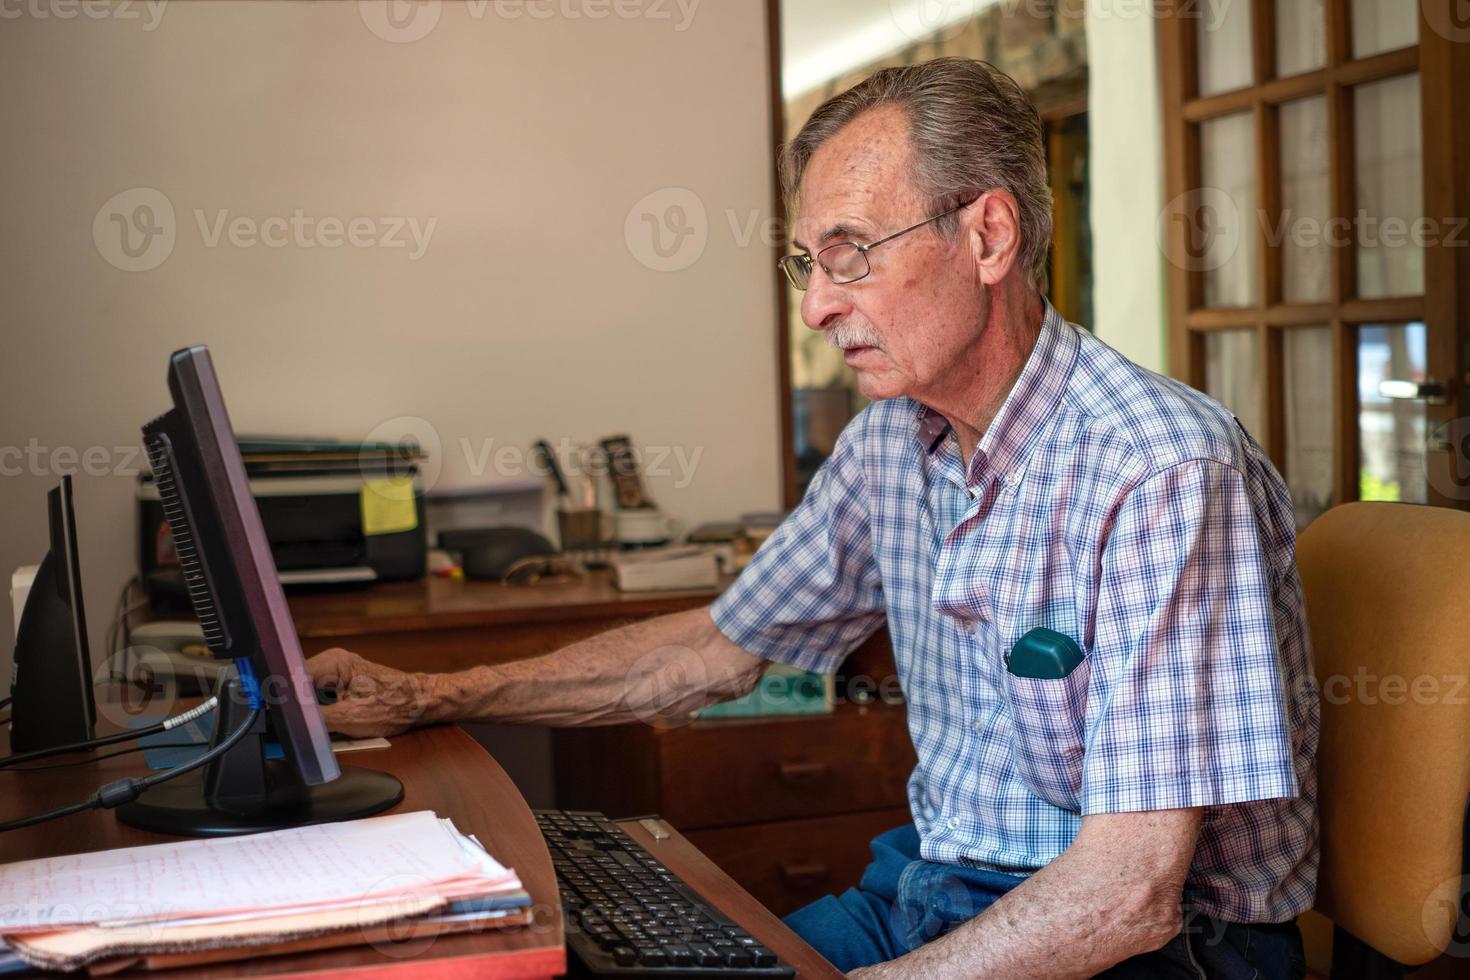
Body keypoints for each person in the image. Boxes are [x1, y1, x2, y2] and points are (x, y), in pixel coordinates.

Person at [308, 57, 1317, 978]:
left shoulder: (1160, 468)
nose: (816, 308)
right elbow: (713, 648)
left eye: (850, 256)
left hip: (1156, 949)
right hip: (932, 892)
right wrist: (428, 690)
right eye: (806, 265)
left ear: (988, 236)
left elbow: (1127, 895)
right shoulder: (893, 442)